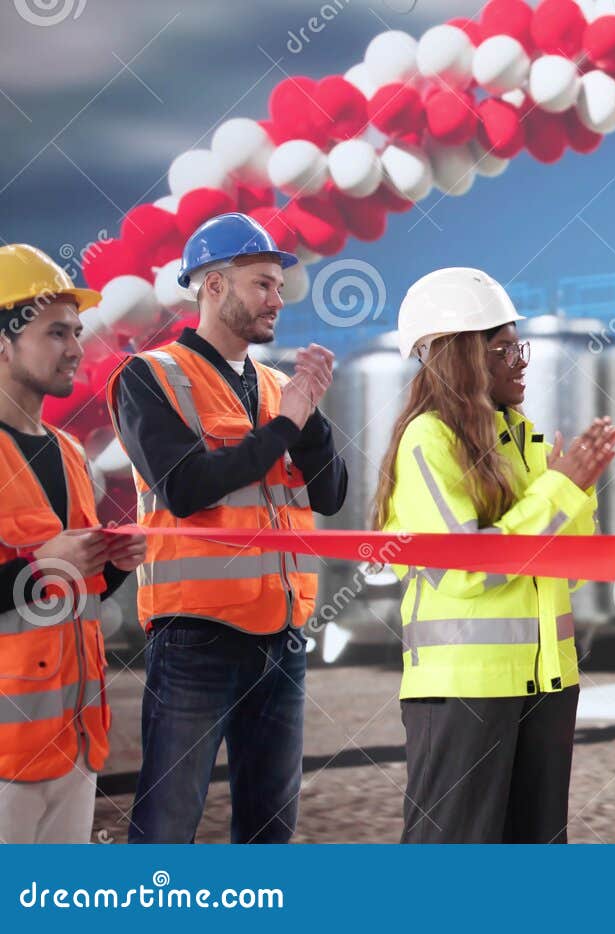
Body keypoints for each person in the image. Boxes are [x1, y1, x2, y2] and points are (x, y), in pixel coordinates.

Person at [107, 213, 348, 844]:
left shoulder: (277, 386)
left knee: (270, 830)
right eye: (263, 284)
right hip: (197, 636)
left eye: (279, 286)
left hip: (284, 636)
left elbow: (330, 494)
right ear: (213, 286)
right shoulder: (150, 377)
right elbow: (185, 490)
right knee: (167, 826)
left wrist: (310, 417)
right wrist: (287, 423)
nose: (278, 299)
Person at [377, 267, 615, 844]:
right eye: (503, 348)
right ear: (458, 356)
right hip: (465, 689)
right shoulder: (427, 442)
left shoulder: (523, 438)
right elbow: (466, 567)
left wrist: (576, 488)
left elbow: (573, 568)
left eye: (519, 345)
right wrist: (561, 490)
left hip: (548, 683)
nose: (521, 360)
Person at [0, 245, 145, 843]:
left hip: (76, 744)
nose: (76, 348)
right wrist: (43, 565)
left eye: (77, 331)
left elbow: (69, 595)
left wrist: (110, 568)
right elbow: (39, 577)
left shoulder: (68, 452)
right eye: (56, 332)